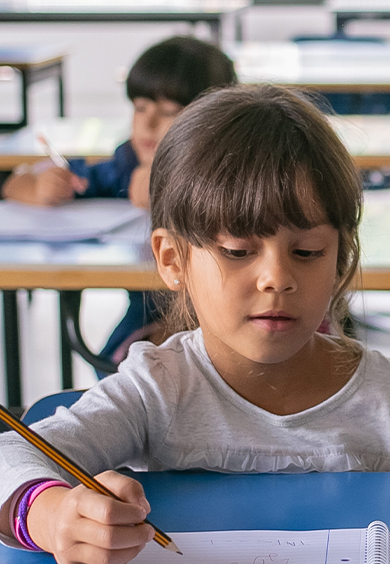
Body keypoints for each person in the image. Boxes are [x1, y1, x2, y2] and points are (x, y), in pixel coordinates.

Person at [0, 84, 390, 564]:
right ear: (173, 260)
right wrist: (52, 517)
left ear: (340, 259)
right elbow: (10, 455)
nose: (277, 278)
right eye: (238, 251)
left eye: (307, 252)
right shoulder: (157, 389)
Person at [1, 36, 238, 363]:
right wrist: (37, 186)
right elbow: (14, 183)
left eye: (169, 111)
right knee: (136, 362)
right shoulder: (127, 165)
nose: (148, 122)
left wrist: (167, 188)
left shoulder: (236, 171)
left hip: (228, 316)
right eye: (140, 107)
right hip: (148, 320)